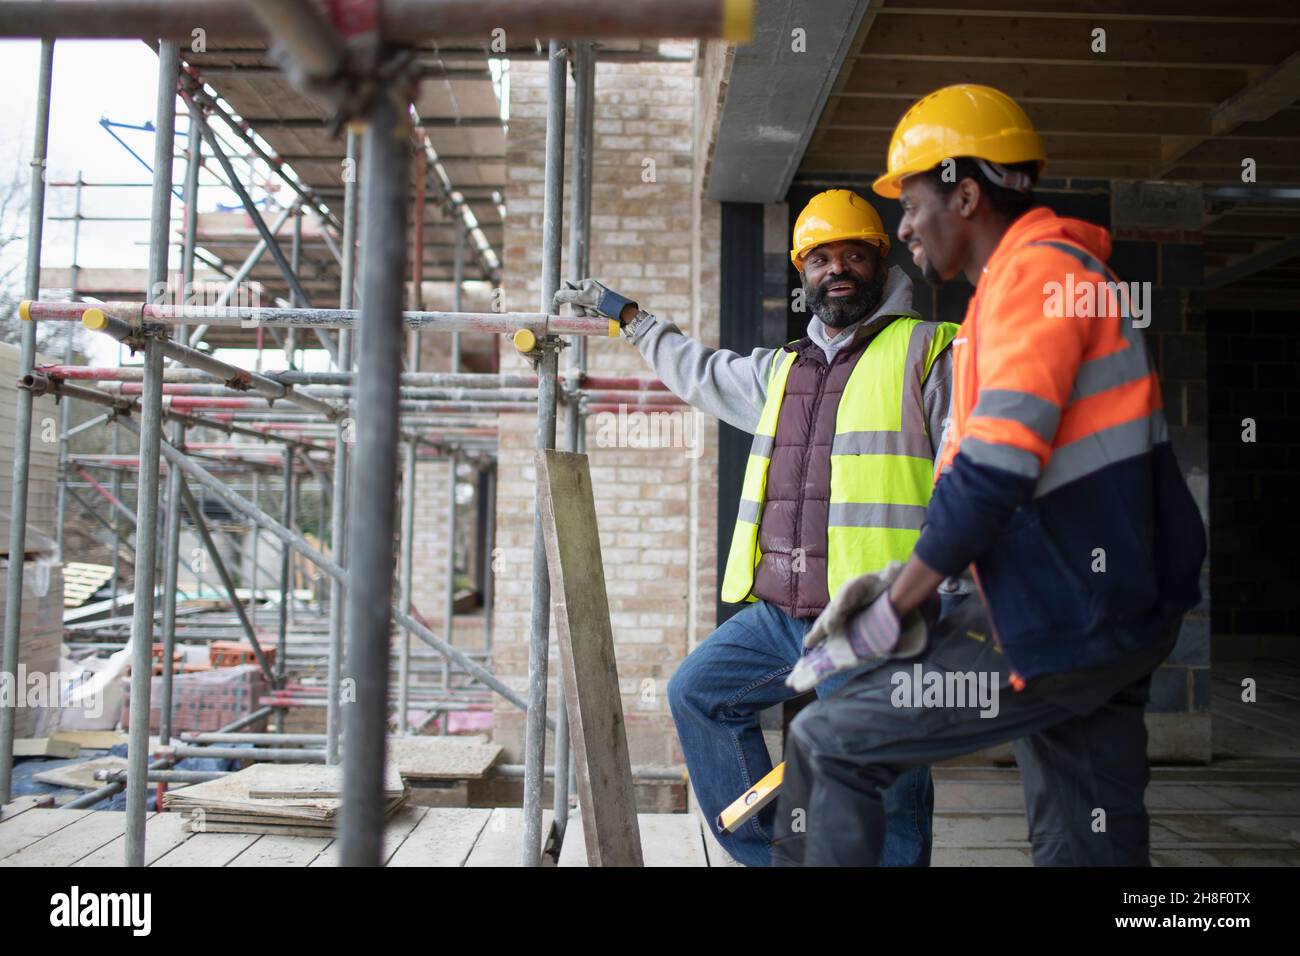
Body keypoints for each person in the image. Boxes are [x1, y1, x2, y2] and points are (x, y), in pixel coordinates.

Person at [770, 84, 1207, 866]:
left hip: (1059, 608)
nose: (902, 229)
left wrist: (891, 609)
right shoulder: (1021, 292)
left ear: (966, 193)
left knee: (830, 741)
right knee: (1085, 834)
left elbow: (994, 470)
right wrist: (923, 581)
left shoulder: (1037, 280)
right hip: (1102, 610)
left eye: (910, 205)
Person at [555, 190, 958, 866]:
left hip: (875, 620)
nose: (838, 269)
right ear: (803, 274)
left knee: (885, 786)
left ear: (879, 263)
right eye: (821, 258)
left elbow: (982, 474)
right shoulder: (782, 369)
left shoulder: (928, 353)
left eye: (853, 255)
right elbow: (701, 372)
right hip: (781, 616)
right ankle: (774, 855)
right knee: (700, 694)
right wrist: (630, 317)